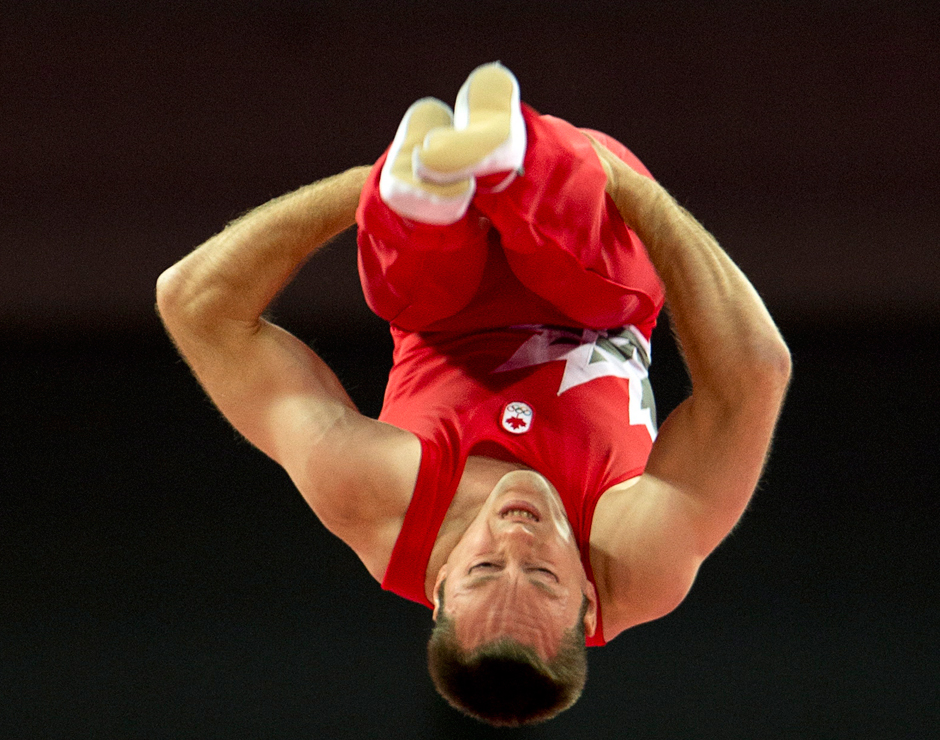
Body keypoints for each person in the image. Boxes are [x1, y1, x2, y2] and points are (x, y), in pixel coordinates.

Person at [156, 63, 791, 727]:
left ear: (438, 591)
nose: (518, 537)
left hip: (440, 297)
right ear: (591, 606)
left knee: (415, 281)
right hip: (600, 273)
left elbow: (196, 305)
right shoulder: (641, 557)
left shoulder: (380, 501)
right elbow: (753, 375)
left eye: (485, 568)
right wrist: (630, 190)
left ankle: (419, 191)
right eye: (545, 577)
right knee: (589, 262)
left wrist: (362, 189)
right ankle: (516, 164)